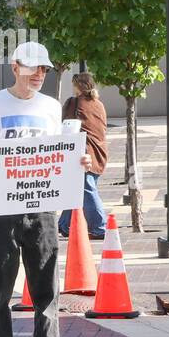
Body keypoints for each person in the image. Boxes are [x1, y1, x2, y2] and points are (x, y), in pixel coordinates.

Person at [0, 42, 91, 337]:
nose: (39, 74)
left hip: (41, 212)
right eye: (33, 68)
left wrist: (79, 163)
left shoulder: (52, 107)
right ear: (15, 66)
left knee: (46, 295)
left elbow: (62, 153)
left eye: (44, 69)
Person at [60, 72, 108, 241]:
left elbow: (66, 125)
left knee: (86, 189)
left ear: (77, 86)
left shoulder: (74, 103)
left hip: (82, 153)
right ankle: (65, 225)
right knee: (75, 189)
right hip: (99, 153)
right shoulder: (98, 104)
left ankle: (99, 227)